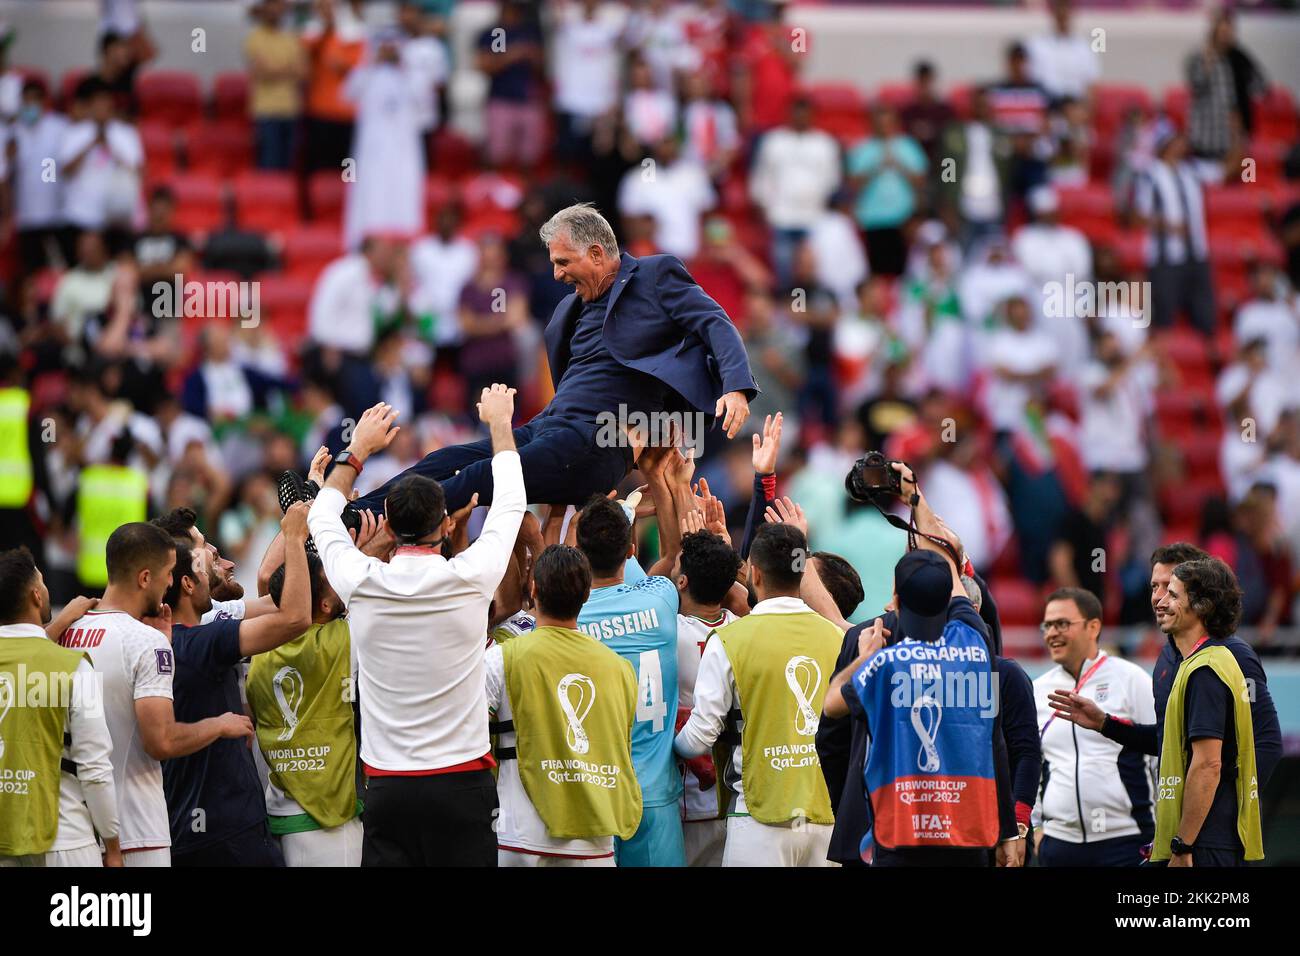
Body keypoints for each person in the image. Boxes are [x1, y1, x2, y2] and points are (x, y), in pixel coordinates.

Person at [312, 204, 756, 517]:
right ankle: (351, 510)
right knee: (444, 460)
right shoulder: (570, 308)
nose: (557, 274)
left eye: (564, 262)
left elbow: (714, 322)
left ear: (597, 254)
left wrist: (735, 387)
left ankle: (345, 522)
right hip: (551, 425)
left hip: (598, 438)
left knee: (478, 478)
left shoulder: (656, 276)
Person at [306, 390, 524, 866]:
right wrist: (499, 423)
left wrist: (357, 450)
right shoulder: (472, 576)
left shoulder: (360, 580)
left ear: (388, 524)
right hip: (462, 787)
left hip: (389, 790)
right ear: (446, 525)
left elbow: (322, 515)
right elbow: (510, 502)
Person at [1049, 546, 1283, 867]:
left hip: (1207, 835)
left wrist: (1226, 811)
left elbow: (1253, 747)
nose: (1158, 599)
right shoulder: (1171, 657)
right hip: (1184, 829)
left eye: (1170, 590)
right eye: (1155, 587)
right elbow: (1170, 741)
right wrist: (1106, 724)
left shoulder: (1220, 660)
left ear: (1198, 598)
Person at [60, 522, 253, 867]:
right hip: (137, 833)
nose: (170, 584)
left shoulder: (69, 631)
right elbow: (160, 741)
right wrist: (220, 725)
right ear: (145, 578)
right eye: (167, 574)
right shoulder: (143, 641)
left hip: (82, 832)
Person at [675, 523, 841, 867]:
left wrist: (670, 743)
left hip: (760, 814)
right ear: (801, 573)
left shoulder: (731, 639)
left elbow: (698, 738)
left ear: (755, 574)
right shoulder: (837, 638)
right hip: (825, 816)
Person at [823, 544, 999, 867]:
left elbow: (832, 704)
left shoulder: (885, 665)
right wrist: (917, 504)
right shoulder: (976, 645)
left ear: (896, 601)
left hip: (901, 838)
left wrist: (866, 656)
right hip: (968, 841)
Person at [162, 505, 314, 867]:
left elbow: (269, 591)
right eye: (204, 556)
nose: (219, 558)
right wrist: (293, 536)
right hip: (227, 832)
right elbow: (295, 617)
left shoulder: (161, 639)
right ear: (186, 583)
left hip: (189, 827)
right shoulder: (201, 641)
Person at [487, 545, 642, 866]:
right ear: (586, 595)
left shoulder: (502, 657)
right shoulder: (620, 669)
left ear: (534, 589)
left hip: (522, 836)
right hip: (596, 838)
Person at [573, 494, 684, 866]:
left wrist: (622, 513)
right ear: (632, 549)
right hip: (652, 795)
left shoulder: (569, 617)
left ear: (579, 553)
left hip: (591, 797)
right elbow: (671, 557)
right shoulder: (662, 598)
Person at [0, 547, 121, 868]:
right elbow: (94, 768)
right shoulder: (71, 667)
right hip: (65, 839)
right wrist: (112, 843)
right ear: (37, 596)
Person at [1150, 559, 1273, 866]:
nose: (1161, 602)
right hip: (1209, 838)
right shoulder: (1207, 662)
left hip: (1203, 843)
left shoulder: (1205, 669)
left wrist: (1183, 845)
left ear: (1202, 607)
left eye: (1174, 595)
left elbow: (1208, 764)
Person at [246, 552, 361, 866]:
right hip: (328, 821)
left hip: (278, 815)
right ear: (324, 605)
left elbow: (266, 576)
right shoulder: (344, 639)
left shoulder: (258, 652)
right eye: (331, 583)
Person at [1033, 587, 1156, 866]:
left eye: (1062, 623)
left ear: (1093, 627)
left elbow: (1161, 756)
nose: (1052, 633)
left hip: (1127, 842)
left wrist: (1167, 832)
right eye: (1047, 625)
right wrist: (1036, 830)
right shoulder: (1037, 690)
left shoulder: (1130, 678)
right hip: (1058, 845)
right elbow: (1030, 765)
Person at [673, 529, 742, 866]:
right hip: (736, 793)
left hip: (689, 794)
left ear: (683, 581)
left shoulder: (669, 632)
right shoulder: (742, 627)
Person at [1133, 128, 1215, 335]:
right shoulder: (1150, 174)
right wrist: (1170, 226)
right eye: (1175, 141)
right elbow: (1138, 216)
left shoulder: (1192, 171)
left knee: (1205, 317)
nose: (1181, 145)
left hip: (1197, 253)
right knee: (1164, 317)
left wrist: (1240, 141)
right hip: (1165, 258)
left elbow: (1236, 171)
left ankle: (1208, 359)